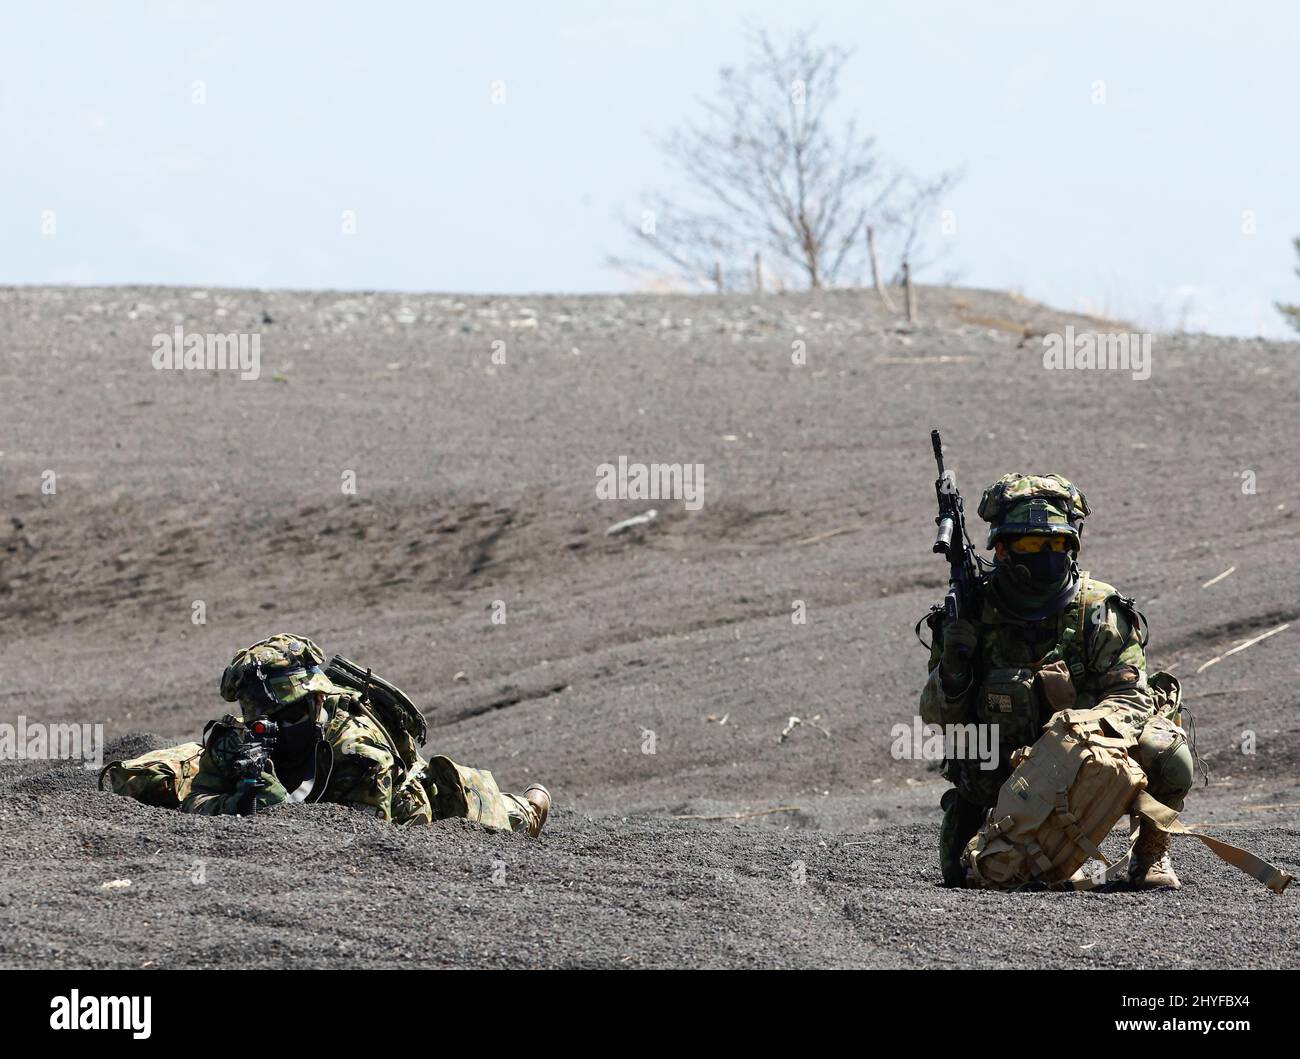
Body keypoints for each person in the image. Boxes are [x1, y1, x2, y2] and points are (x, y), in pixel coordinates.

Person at [920, 474, 1194, 889]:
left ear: (1073, 546)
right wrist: (954, 671)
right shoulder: (970, 612)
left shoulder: (1098, 608)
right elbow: (940, 722)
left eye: (1056, 544)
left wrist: (1073, 718)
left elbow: (1133, 700)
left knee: (1167, 751)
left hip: (1088, 765)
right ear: (1001, 548)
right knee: (968, 877)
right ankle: (998, 829)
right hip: (1000, 775)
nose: (1045, 555)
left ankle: (1150, 856)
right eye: (1031, 545)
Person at [180, 633, 550, 836]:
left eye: (293, 712)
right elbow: (195, 803)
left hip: (412, 809)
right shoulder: (246, 743)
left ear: (318, 700)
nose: (278, 725)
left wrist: (278, 809)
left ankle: (531, 808)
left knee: (485, 812)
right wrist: (239, 803)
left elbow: (363, 838)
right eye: (266, 717)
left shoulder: (358, 749)